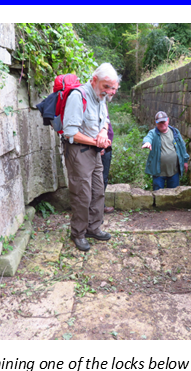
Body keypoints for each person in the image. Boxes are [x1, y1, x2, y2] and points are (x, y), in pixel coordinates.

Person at [61, 63, 118, 251]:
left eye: (113, 89)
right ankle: (78, 233)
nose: (109, 92)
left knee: (98, 190)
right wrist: (97, 142)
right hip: (78, 151)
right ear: (94, 80)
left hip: (94, 151)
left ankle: (93, 228)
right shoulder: (78, 97)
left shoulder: (100, 97)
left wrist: (102, 132)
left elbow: (104, 119)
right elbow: (70, 132)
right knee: (82, 194)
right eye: (106, 87)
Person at [141, 111, 189, 190]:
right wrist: (147, 142)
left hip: (174, 171)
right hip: (158, 172)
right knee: (158, 194)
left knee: (174, 194)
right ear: (156, 123)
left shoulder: (175, 132)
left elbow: (182, 146)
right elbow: (148, 138)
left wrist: (185, 160)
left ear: (168, 120)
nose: (162, 124)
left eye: (163, 121)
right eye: (159, 122)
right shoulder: (153, 133)